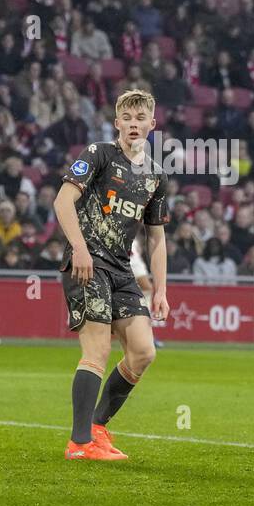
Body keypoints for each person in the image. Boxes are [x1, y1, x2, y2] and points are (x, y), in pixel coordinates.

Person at [55, 89, 168, 460]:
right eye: (127, 119)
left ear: (152, 124)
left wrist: (160, 289)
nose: (134, 125)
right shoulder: (99, 154)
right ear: (117, 123)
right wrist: (80, 249)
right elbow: (62, 201)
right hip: (87, 264)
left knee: (142, 353)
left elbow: (156, 237)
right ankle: (80, 443)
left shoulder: (155, 176)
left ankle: (98, 426)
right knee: (97, 350)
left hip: (121, 270)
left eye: (141, 119)